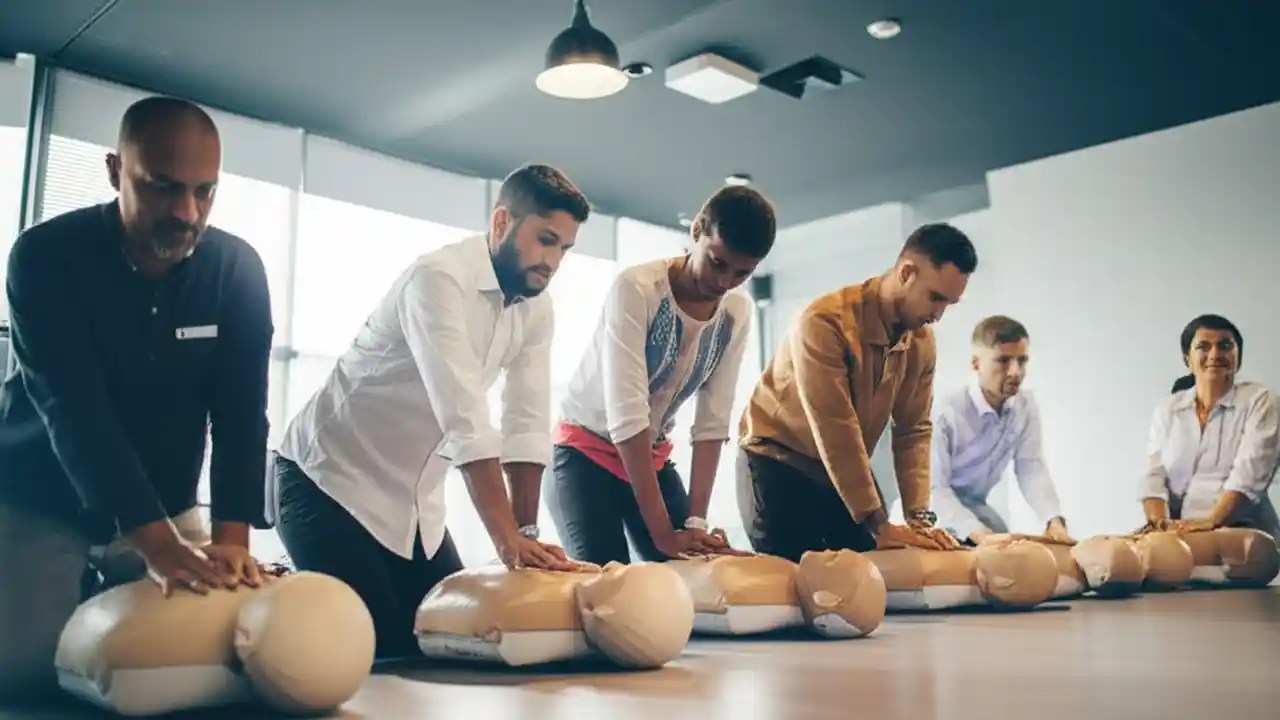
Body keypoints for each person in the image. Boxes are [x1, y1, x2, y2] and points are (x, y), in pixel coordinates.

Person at [0, 97, 273, 698]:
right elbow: (74, 411)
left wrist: (230, 544)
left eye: (205, 192)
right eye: (163, 188)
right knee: (20, 675)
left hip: (166, 494)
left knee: (219, 652)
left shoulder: (237, 271)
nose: (187, 213)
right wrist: (157, 547)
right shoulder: (43, 257)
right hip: (41, 491)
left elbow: (240, 416)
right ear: (113, 171)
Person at [272, 164, 586, 660]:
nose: (553, 261)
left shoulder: (535, 308)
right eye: (545, 240)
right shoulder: (438, 278)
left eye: (564, 249)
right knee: (375, 647)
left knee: (449, 637)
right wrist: (504, 542)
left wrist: (526, 540)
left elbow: (525, 422)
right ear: (502, 222)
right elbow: (464, 416)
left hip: (416, 508)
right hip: (326, 483)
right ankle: (285, 595)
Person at [547, 186, 775, 565]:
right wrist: (664, 535)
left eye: (742, 273)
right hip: (584, 452)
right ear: (697, 231)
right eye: (717, 263)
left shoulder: (737, 311)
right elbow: (628, 417)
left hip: (650, 456)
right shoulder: (637, 288)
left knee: (696, 566)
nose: (724, 282)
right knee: (610, 583)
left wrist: (696, 523)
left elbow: (712, 422)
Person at [736, 223, 977, 561]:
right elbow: (836, 427)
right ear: (906, 272)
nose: (938, 314)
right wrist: (877, 523)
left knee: (873, 571)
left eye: (948, 303)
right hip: (776, 459)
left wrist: (919, 519)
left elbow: (913, 431)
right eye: (935, 297)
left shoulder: (921, 342)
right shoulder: (823, 322)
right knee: (802, 578)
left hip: (837, 468)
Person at [923, 316, 1071, 545]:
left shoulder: (1025, 407)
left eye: (1022, 361)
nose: (1015, 372)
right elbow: (932, 489)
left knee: (1007, 551)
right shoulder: (944, 410)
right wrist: (980, 535)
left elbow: (1031, 467)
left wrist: (1053, 520)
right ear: (976, 364)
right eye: (1003, 361)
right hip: (928, 512)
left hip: (975, 506)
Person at [1140, 314, 1279, 537]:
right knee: (1112, 556)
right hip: (1180, 531)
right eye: (1203, 347)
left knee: (1165, 561)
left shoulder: (1260, 401)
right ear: (1187, 359)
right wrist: (1158, 525)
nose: (1215, 354)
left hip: (1240, 530)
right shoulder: (1168, 408)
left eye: (1225, 346)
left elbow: (1249, 476)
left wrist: (1210, 522)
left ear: (1238, 357)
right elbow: (1154, 475)